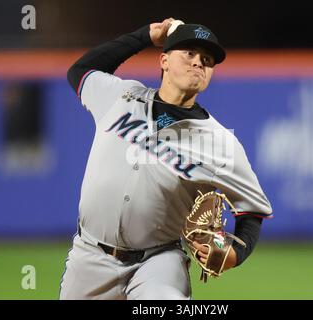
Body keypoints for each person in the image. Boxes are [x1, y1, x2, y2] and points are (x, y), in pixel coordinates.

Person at [60, 18, 273, 300]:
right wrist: (146, 35)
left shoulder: (221, 142)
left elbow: (252, 210)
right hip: (89, 256)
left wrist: (236, 252)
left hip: (158, 262)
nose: (198, 62)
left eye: (207, 59)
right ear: (163, 61)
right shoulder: (121, 96)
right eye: (189, 53)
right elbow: (81, 70)